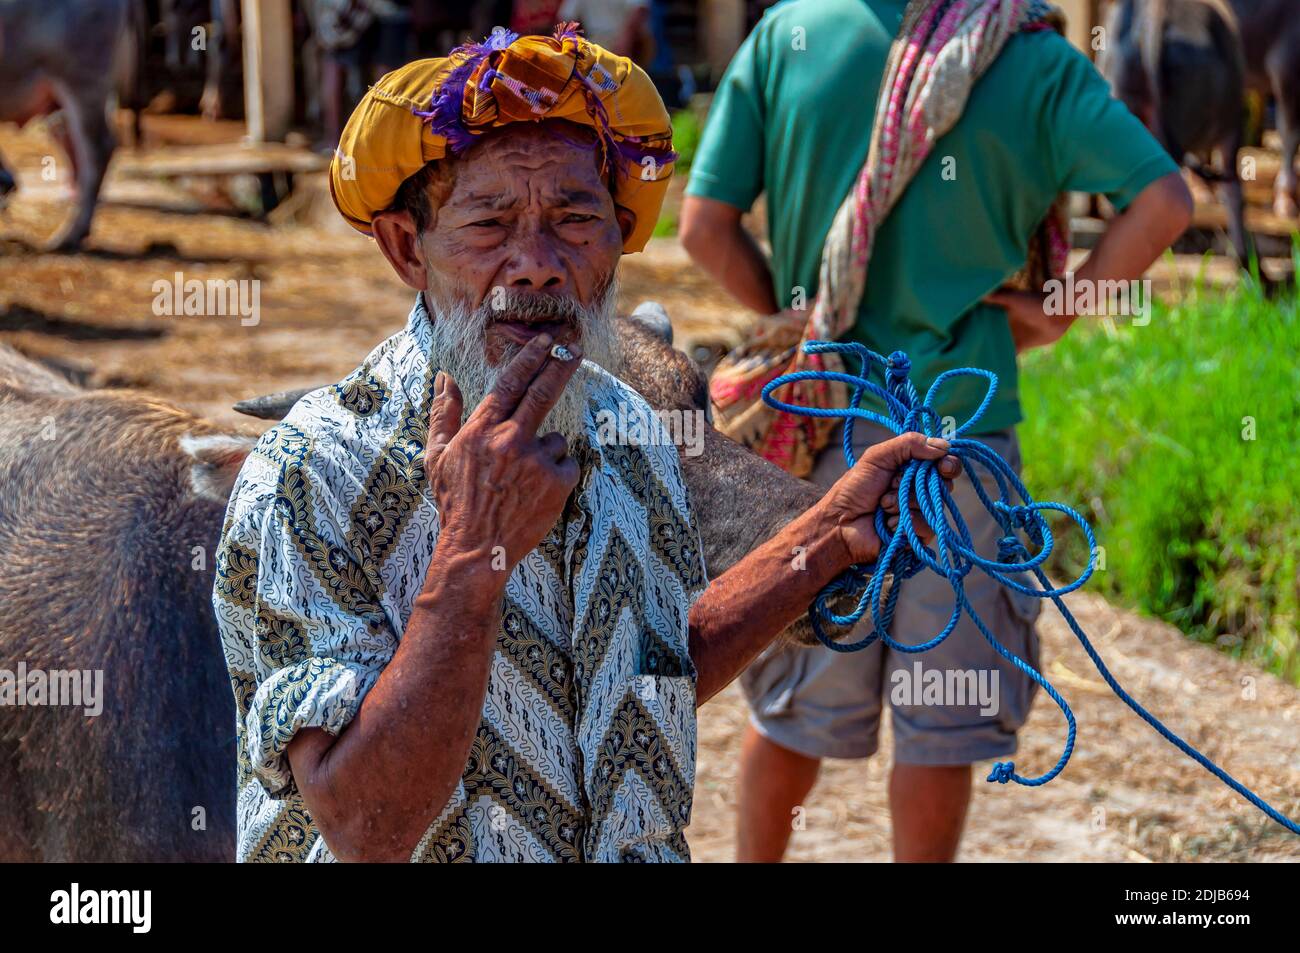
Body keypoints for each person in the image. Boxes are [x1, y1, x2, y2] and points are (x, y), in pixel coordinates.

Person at [212, 25, 960, 863]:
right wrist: (472, 556)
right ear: (404, 248)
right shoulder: (311, 475)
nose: (536, 263)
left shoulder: (629, 428)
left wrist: (822, 543)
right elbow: (362, 827)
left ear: (619, 241)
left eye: (575, 219)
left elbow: (646, 677)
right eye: (489, 224)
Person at [680, 0, 1193, 863]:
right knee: (940, 730)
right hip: (962, 458)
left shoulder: (791, 32)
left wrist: (799, 317)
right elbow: (1166, 201)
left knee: (793, 715)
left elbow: (700, 227)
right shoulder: (1026, 56)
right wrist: (1055, 312)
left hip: (819, 437)